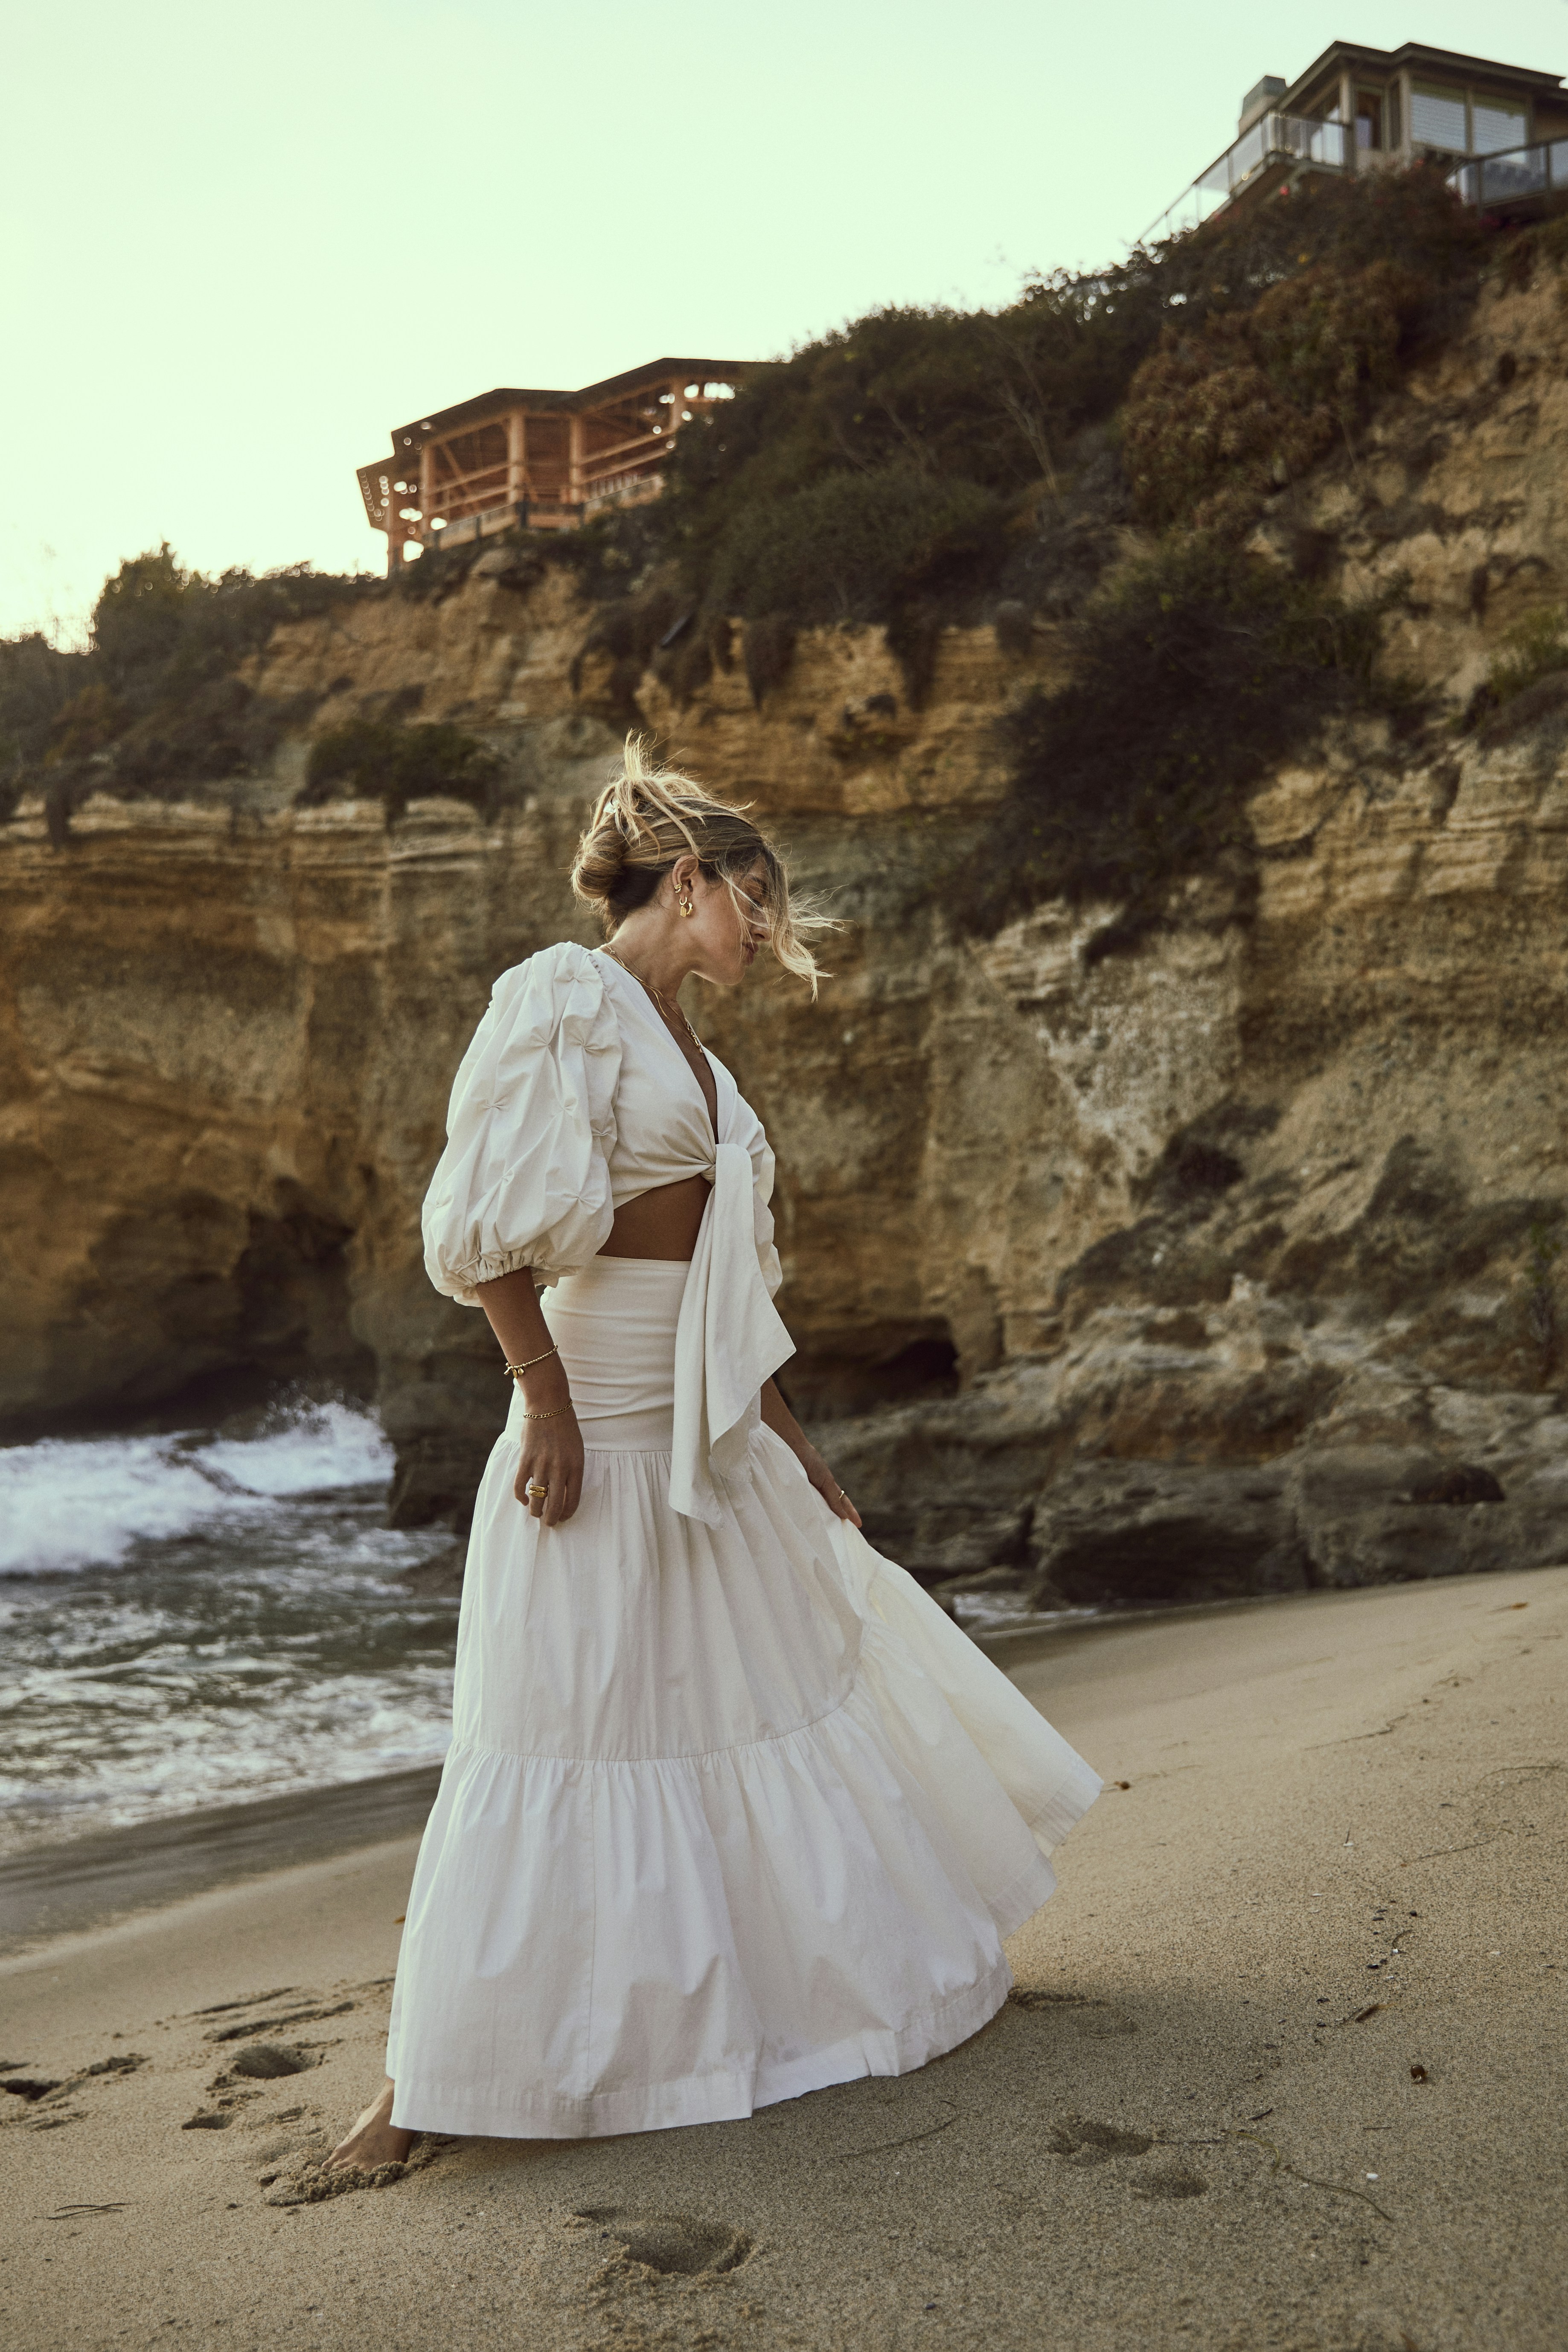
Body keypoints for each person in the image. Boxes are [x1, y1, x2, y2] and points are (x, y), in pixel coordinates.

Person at [329, 737, 1100, 2164]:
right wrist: (544, 1400)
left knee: (762, 1693)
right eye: (757, 904)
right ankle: (428, 2082)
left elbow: (726, 1300)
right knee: (560, 1722)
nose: (771, 936)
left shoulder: (696, 1048)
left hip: (713, 1425)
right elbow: (490, 1231)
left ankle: (771, 2016)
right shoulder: (564, 996)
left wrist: (794, 1442)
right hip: (596, 1414)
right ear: (687, 882)